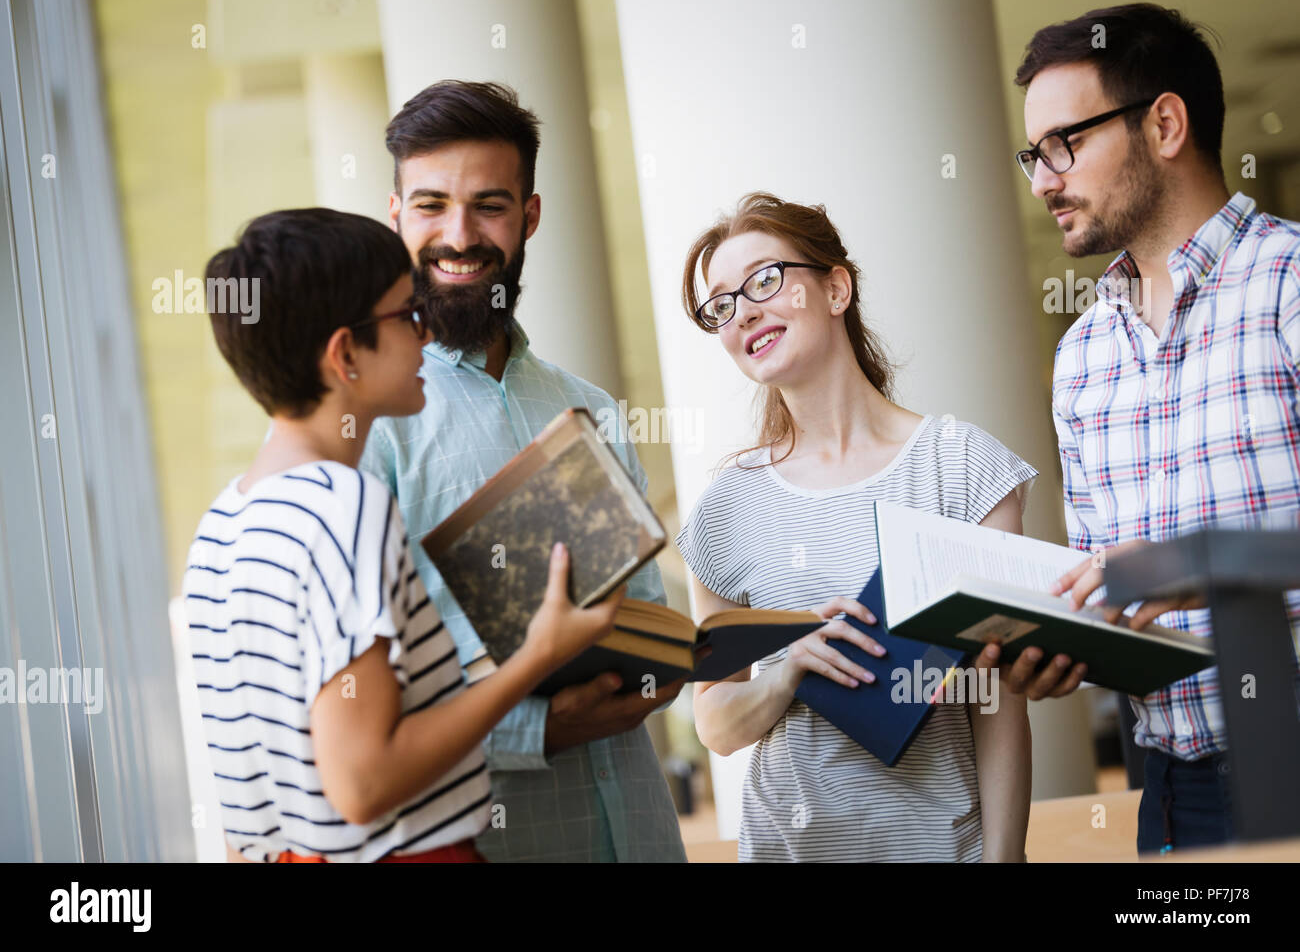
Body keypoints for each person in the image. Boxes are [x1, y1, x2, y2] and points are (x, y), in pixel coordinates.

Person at [185, 208, 622, 862]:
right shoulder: (346, 508)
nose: (426, 336)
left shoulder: (221, 526)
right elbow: (363, 783)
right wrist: (536, 654)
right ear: (344, 355)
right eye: (406, 316)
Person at [991, 3, 1300, 852]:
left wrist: (1196, 571)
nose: (1044, 179)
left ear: (1164, 123)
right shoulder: (1083, 354)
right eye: (1032, 156)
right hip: (1170, 800)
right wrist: (1067, 644)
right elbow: (1118, 597)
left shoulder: (1290, 285)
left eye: (1065, 145)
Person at [360, 80, 686, 862]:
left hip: (641, 835)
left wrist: (669, 667)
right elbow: (368, 711)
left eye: (490, 206)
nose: (459, 234)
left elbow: (644, 619)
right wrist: (539, 724)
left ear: (529, 217)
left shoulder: (594, 409)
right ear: (396, 214)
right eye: (432, 205)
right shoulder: (371, 429)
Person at [677, 192, 1035, 862]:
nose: (743, 311)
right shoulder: (727, 506)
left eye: (764, 280)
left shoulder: (961, 467)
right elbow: (717, 725)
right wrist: (787, 673)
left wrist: (1005, 857)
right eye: (721, 304)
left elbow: (1000, 696)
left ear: (836, 287)